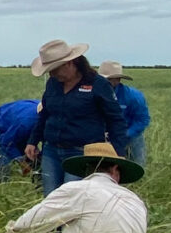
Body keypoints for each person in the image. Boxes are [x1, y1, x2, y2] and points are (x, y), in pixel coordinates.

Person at [3, 141, 146, 233]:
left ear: (86, 169)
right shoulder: (135, 200)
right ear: (115, 170)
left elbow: (24, 225)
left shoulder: (79, 189)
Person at [24, 40, 128, 195]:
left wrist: (117, 156)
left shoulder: (98, 84)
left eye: (55, 69)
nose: (52, 74)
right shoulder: (53, 84)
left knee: (71, 198)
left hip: (82, 154)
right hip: (51, 151)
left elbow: (116, 121)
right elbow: (45, 114)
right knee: (50, 198)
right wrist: (32, 141)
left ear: (71, 63)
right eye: (49, 70)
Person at [99, 60, 151, 168]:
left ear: (117, 80)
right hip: (102, 139)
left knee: (136, 168)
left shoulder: (133, 96)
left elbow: (142, 120)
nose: (104, 82)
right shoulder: (93, 94)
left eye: (108, 79)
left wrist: (125, 135)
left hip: (131, 137)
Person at [0, 99, 42, 182]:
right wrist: (21, 162)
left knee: (35, 159)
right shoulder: (25, 122)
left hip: (19, 126)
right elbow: (7, 142)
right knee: (4, 161)